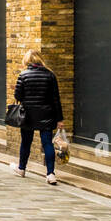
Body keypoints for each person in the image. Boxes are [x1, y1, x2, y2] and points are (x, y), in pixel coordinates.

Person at [13, 50, 65, 185]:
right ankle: (50, 174)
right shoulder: (50, 75)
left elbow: (18, 96)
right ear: (40, 60)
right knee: (47, 144)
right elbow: (56, 99)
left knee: (26, 142)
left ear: (27, 60)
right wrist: (60, 119)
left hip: (27, 115)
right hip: (47, 115)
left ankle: (22, 168)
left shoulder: (23, 75)